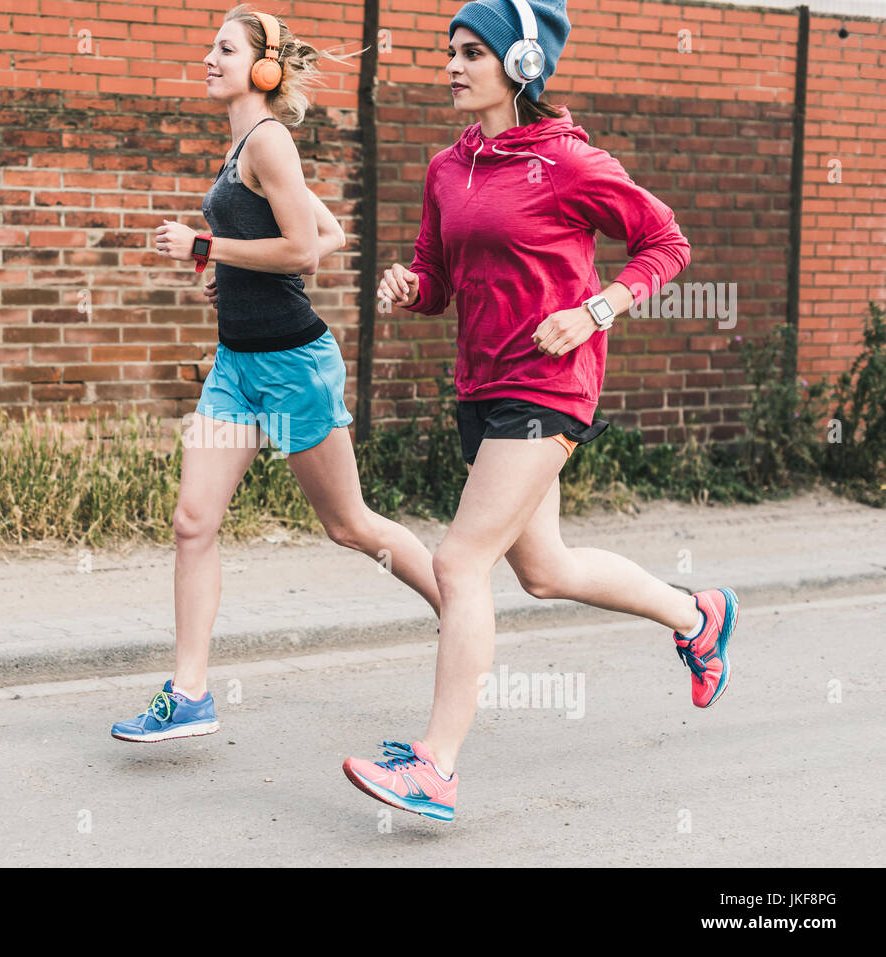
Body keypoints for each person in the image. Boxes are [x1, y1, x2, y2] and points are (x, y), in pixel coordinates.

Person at [341, 0, 739, 822]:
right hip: (481, 385)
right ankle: (696, 613)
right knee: (544, 570)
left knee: (458, 562)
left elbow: (666, 242)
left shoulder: (569, 161)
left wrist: (597, 309)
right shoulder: (446, 167)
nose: (452, 65)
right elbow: (437, 275)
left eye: (472, 51)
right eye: (449, 50)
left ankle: (436, 766)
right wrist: (412, 288)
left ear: (522, 64)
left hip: (549, 384)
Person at [111, 5, 442, 742]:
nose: (209, 58)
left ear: (262, 67)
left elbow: (302, 252)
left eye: (224, 49)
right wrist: (224, 269)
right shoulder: (239, 150)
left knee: (348, 525)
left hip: (294, 365)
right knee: (193, 520)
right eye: (209, 47)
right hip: (236, 365)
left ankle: (459, 608)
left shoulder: (269, 142)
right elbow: (328, 229)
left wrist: (205, 248)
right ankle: (190, 692)